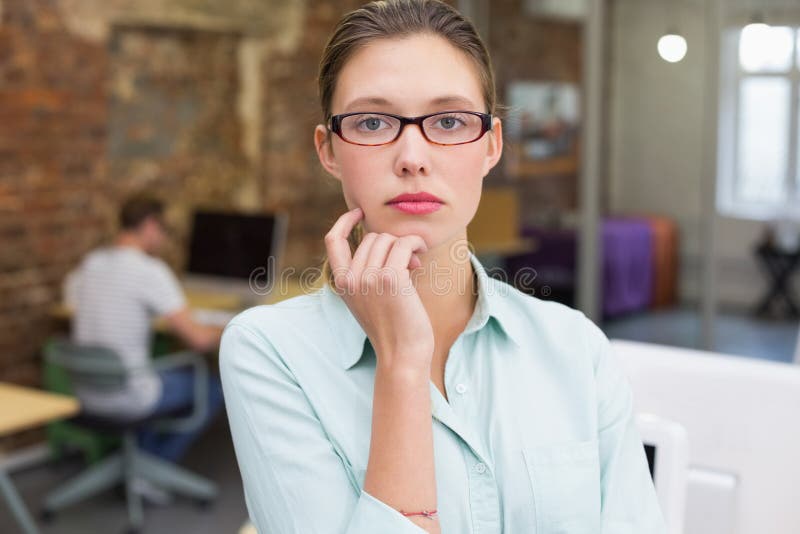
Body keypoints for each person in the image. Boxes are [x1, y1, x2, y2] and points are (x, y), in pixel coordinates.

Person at [219, 1, 666, 533]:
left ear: (491, 145)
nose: (413, 156)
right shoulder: (270, 351)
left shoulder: (575, 348)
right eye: (372, 121)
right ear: (330, 150)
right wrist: (403, 365)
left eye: (450, 121)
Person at [66, 194, 225, 474]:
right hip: (130, 393)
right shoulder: (149, 271)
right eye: (165, 231)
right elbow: (199, 340)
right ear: (151, 225)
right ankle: (152, 468)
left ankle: (141, 460)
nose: (164, 240)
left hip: (87, 390)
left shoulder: (91, 264)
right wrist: (233, 326)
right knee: (213, 385)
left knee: (156, 368)